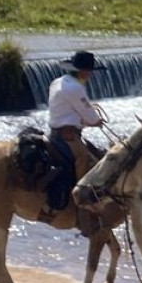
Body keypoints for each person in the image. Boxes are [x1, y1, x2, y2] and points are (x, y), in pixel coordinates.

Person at [46, 50, 105, 216]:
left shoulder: (57, 82)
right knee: (85, 158)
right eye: (90, 71)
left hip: (55, 131)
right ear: (83, 71)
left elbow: (71, 109)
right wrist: (96, 121)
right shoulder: (76, 88)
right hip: (68, 136)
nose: (91, 74)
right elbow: (89, 116)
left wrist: (86, 118)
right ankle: (80, 199)